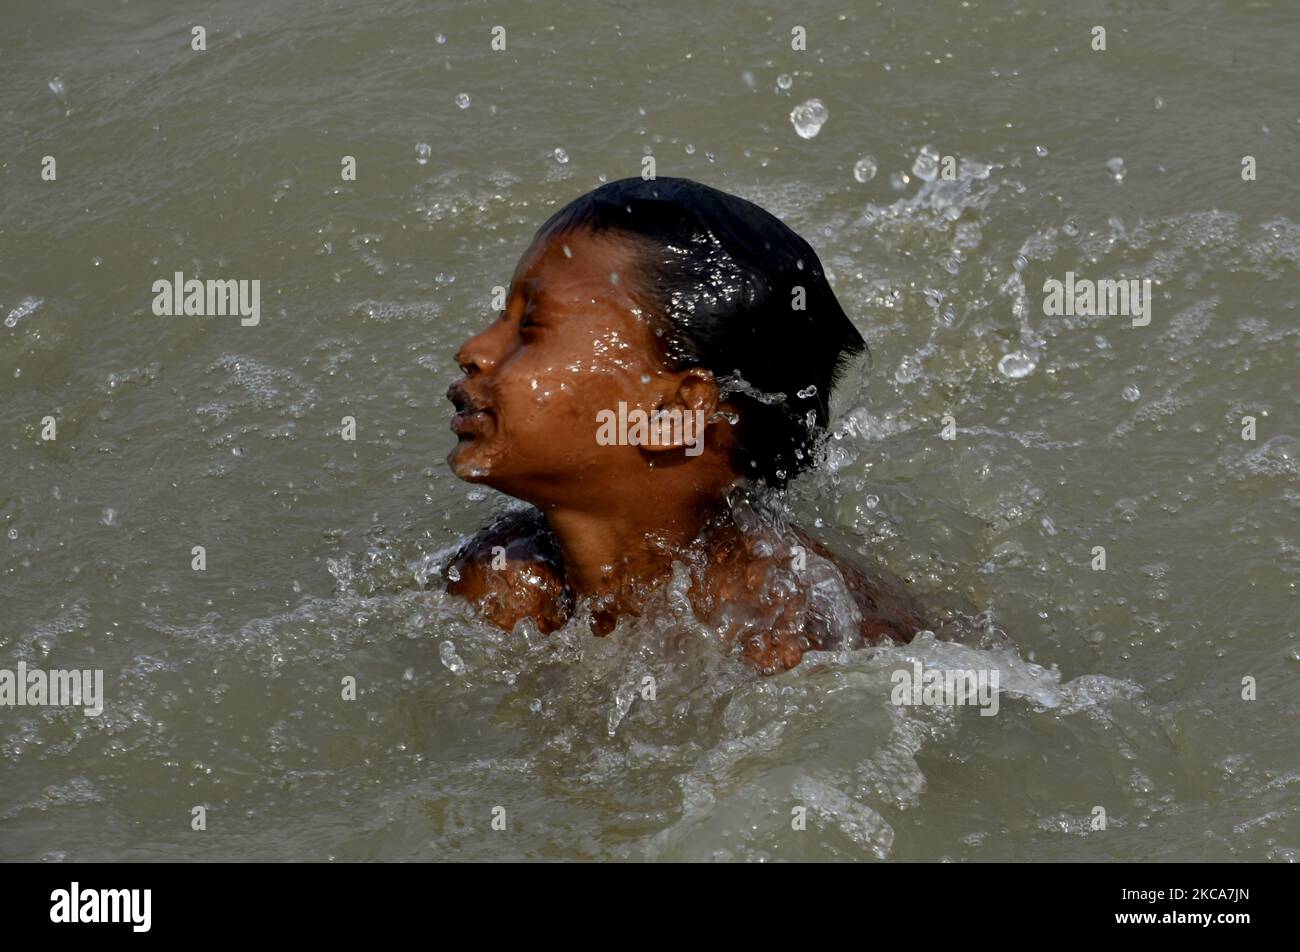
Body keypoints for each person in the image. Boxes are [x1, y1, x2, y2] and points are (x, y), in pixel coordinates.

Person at [443, 176, 928, 674]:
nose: (472, 350)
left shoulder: (797, 644)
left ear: (673, 413)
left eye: (528, 328)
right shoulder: (507, 574)